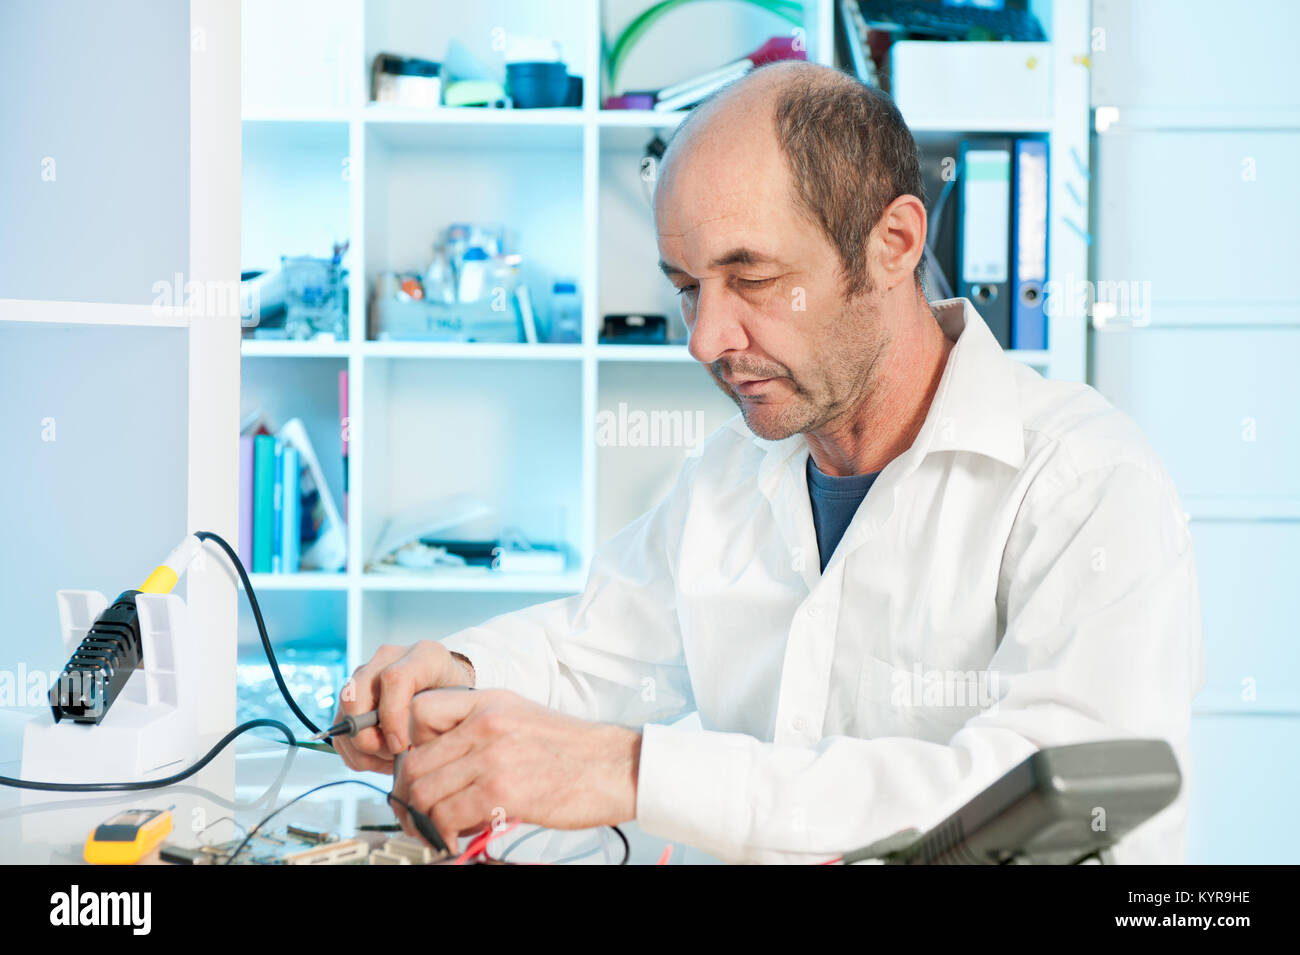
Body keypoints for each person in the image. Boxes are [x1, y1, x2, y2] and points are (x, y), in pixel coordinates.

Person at [333, 60, 1205, 864]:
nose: (705, 339)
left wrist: (632, 771)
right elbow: (595, 650)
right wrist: (454, 674)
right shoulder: (727, 477)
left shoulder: (1083, 484)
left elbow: (1048, 803)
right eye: (686, 288)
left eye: (750, 279)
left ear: (893, 243)